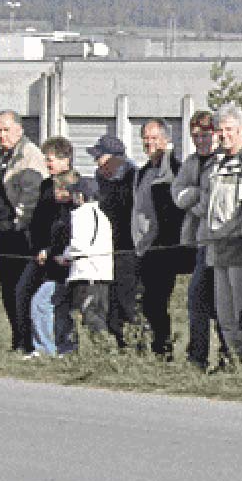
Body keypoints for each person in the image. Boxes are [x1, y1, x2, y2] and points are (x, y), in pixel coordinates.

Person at [199, 109, 242, 364]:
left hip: (241, 245)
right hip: (216, 244)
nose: (224, 135)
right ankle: (233, 360)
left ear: (241, 129)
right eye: (220, 130)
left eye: (229, 129)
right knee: (223, 311)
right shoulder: (215, 162)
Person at [0, 110, 48, 353]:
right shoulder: (2, 157)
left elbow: (31, 194)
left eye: (6, 130)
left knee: (22, 289)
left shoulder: (29, 155)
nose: (2, 135)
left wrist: (18, 222)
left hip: (22, 234)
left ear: (19, 130)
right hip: (4, 232)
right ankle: (17, 338)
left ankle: (27, 341)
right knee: (7, 287)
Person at [18, 138, 81, 358]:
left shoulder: (74, 186)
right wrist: (38, 248)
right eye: (46, 158)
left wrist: (53, 251)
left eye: (51, 159)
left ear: (66, 159)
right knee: (31, 297)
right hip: (42, 256)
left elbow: (68, 227)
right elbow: (40, 221)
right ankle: (51, 346)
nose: (47, 162)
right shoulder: (46, 185)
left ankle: (48, 348)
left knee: (44, 302)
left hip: (62, 259)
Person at [130, 120, 185, 356]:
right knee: (147, 303)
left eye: (154, 138)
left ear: (165, 140)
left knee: (157, 301)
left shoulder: (173, 167)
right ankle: (151, 346)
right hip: (143, 246)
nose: (149, 142)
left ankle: (163, 349)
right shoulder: (143, 171)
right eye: (146, 137)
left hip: (163, 246)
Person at [171, 112, 220, 368]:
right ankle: (197, 356)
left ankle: (227, 357)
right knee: (196, 300)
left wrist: (197, 201)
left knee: (222, 305)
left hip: (220, 240)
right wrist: (197, 196)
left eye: (205, 135)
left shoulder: (221, 161)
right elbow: (178, 195)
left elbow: (214, 203)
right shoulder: (191, 163)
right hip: (199, 240)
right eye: (196, 136)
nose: (200, 141)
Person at [89, 134, 139, 346]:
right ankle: (117, 343)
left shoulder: (133, 179)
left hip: (128, 248)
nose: (97, 162)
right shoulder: (101, 179)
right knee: (109, 301)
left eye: (100, 157)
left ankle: (135, 344)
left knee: (127, 299)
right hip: (106, 249)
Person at [63, 181, 115, 341]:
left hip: (85, 274)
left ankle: (100, 350)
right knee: (100, 313)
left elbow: (79, 245)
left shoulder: (81, 214)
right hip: (103, 275)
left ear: (81, 196)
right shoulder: (103, 215)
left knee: (87, 315)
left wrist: (65, 255)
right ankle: (102, 350)